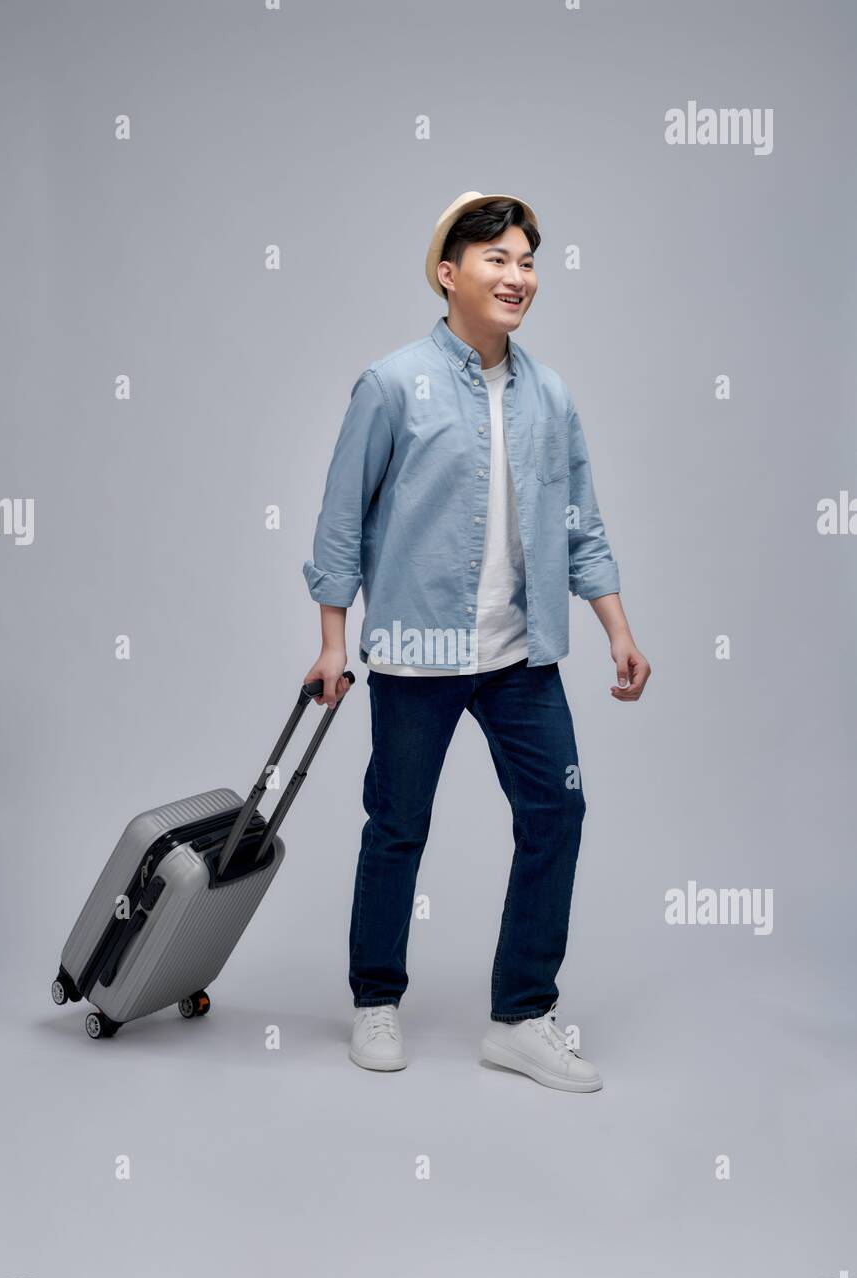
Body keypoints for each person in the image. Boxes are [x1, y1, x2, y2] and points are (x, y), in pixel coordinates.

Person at [302, 191, 651, 1091]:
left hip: (522, 657)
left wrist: (617, 628)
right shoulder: (390, 384)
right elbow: (341, 523)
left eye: (528, 260)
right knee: (398, 826)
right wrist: (334, 643)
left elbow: (582, 523)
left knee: (555, 816)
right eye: (497, 258)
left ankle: (521, 1016)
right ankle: (375, 998)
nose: (518, 276)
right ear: (449, 273)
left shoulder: (552, 393)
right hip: (417, 655)